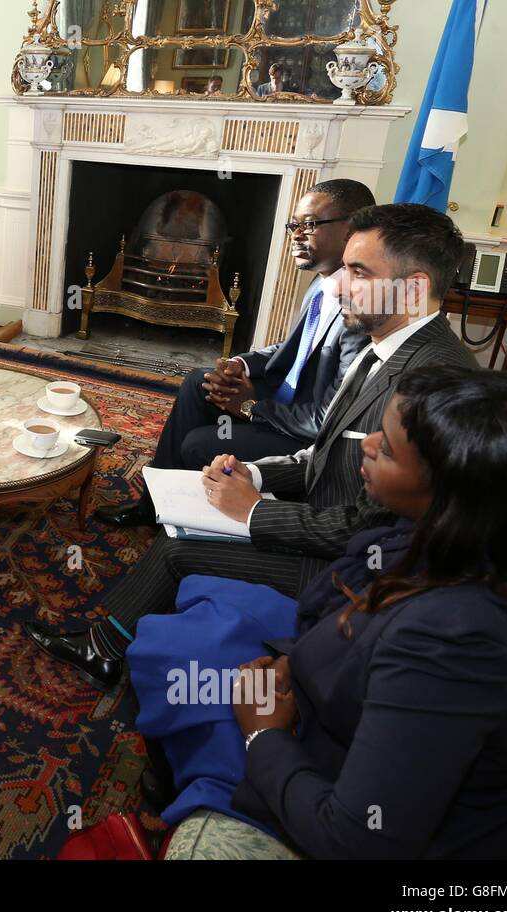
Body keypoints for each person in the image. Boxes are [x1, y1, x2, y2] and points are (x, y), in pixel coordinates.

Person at [130, 365, 507, 858]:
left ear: (453, 497)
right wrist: (295, 661)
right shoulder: (475, 546)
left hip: (326, 778)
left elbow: (354, 837)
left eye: (386, 448)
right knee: (197, 601)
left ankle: (189, 789)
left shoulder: (458, 647)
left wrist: (262, 733)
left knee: (178, 659)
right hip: (336, 705)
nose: (365, 445)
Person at [28, 203, 477, 690]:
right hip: (333, 520)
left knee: (181, 550)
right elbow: (325, 454)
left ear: (413, 286)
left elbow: (377, 528)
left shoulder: (431, 384)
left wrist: (254, 512)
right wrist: (256, 475)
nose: (339, 284)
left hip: (355, 568)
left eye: (358, 272)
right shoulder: (386, 345)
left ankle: (103, 651)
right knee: (195, 496)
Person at [96, 179, 375, 529]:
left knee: (197, 443)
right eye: (293, 226)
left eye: (309, 225)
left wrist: (250, 407)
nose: (296, 235)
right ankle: (153, 505)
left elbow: (328, 422)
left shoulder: (363, 311)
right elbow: (292, 350)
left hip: (303, 435)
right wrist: (239, 363)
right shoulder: (323, 284)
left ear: (352, 228)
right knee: (200, 381)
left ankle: (199, 520)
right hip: (286, 399)